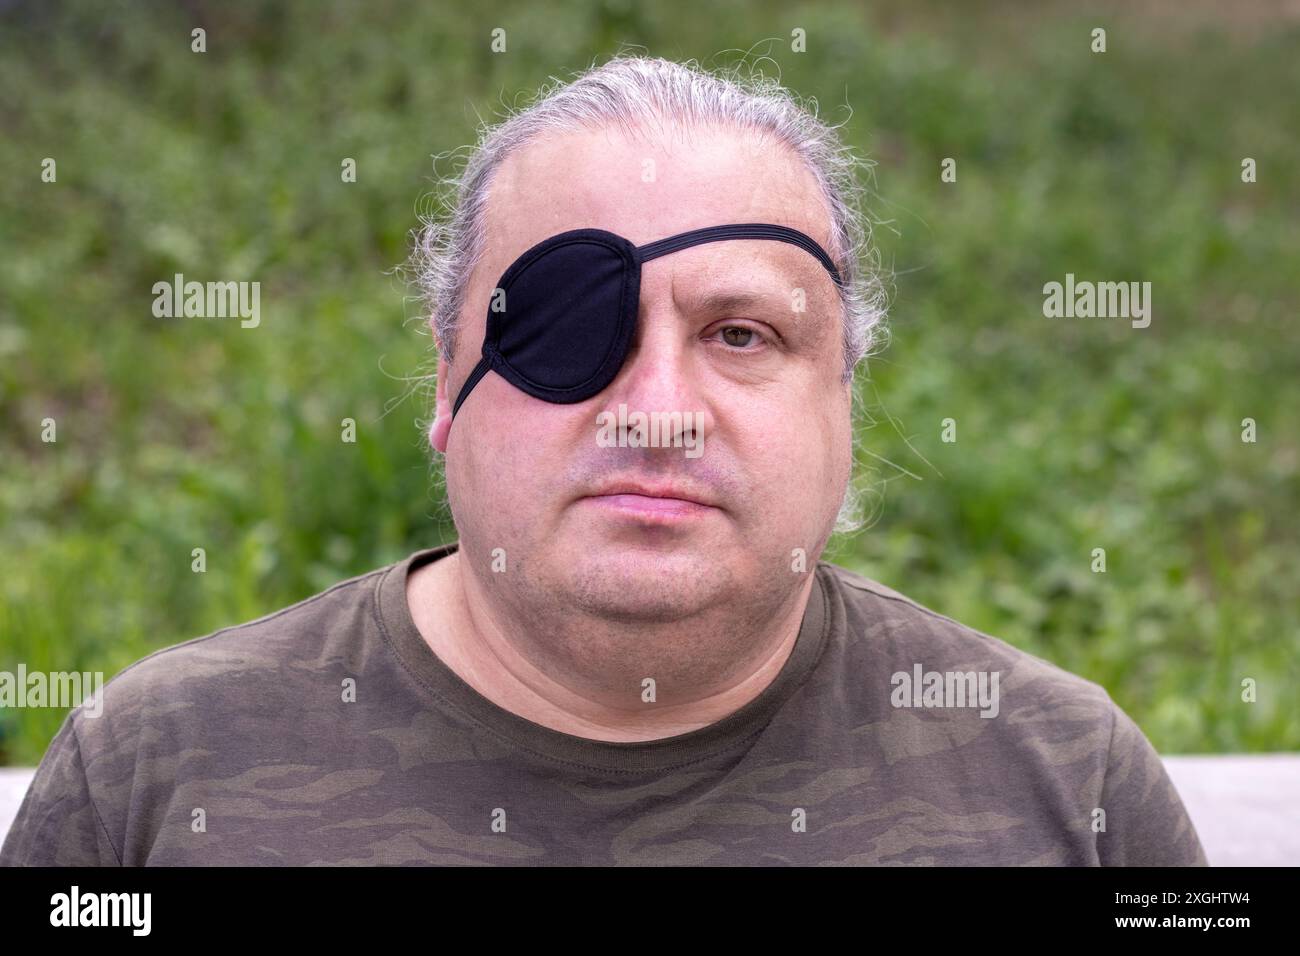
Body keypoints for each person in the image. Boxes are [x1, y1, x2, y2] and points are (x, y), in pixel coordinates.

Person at [1, 55, 1207, 866]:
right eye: (569, 332)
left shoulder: (1064, 784)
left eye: (743, 334)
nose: (658, 410)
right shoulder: (154, 776)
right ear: (444, 382)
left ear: (845, 396)